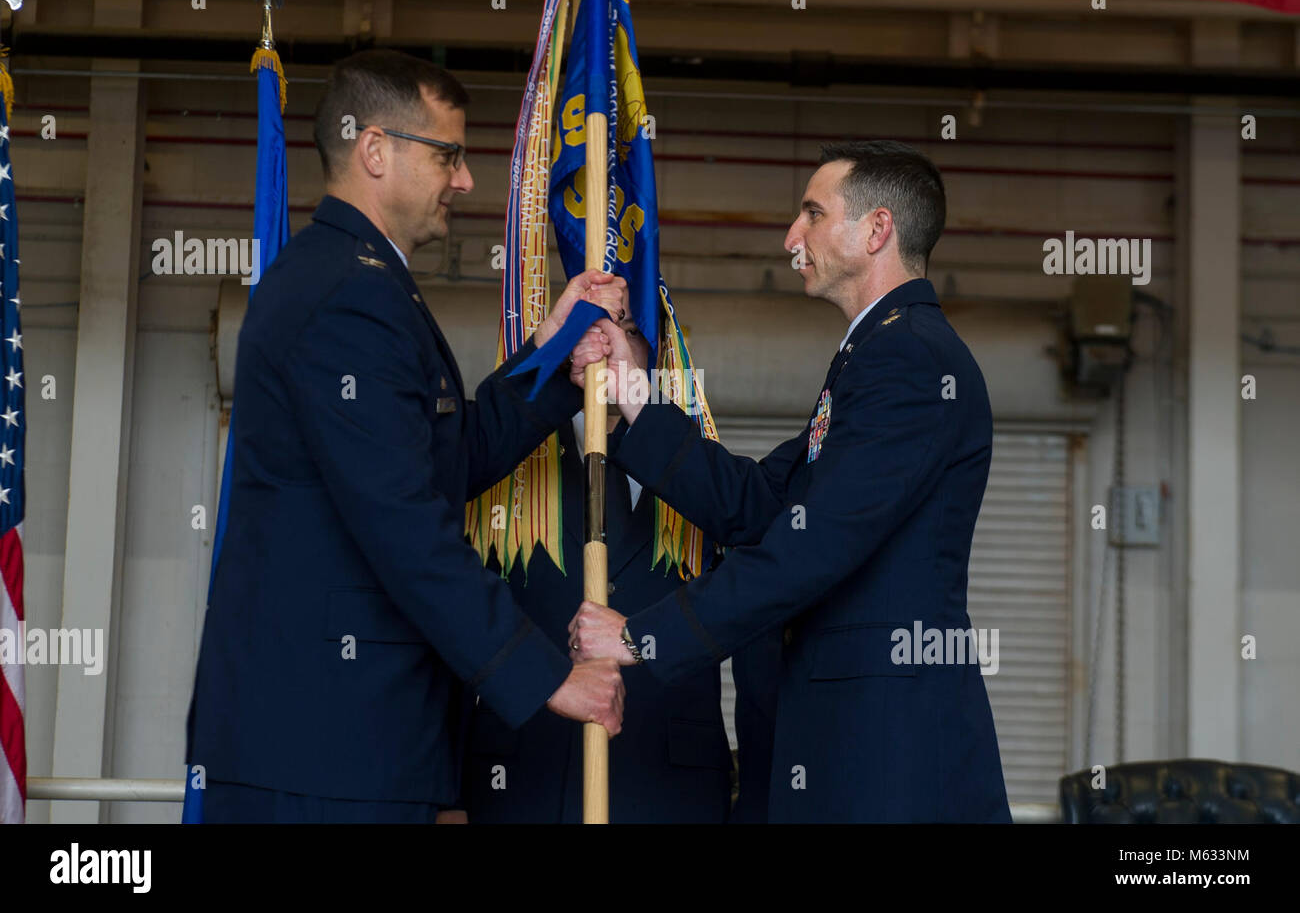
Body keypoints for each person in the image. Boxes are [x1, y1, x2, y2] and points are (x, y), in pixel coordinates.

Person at [185, 49, 627, 823]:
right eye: (449, 155)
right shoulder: (350, 294)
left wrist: (557, 355)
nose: (464, 181)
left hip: (345, 746)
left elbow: (444, 462)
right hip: (323, 751)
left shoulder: (354, 279)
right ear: (376, 150)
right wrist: (546, 675)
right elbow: (403, 524)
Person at [567, 140, 1011, 823]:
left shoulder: (911, 362)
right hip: (844, 746)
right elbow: (758, 506)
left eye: (812, 213)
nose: (790, 237)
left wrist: (638, 638)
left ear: (876, 230)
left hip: (885, 758)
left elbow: (811, 549)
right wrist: (632, 392)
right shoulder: (876, 355)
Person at [461, 315, 733, 823]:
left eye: (626, 326)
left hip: (668, 788)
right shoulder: (506, 462)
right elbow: (456, 610)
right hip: (522, 782)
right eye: (591, 323)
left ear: (657, 349)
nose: (605, 337)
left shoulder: (709, 471)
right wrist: (448, 796)